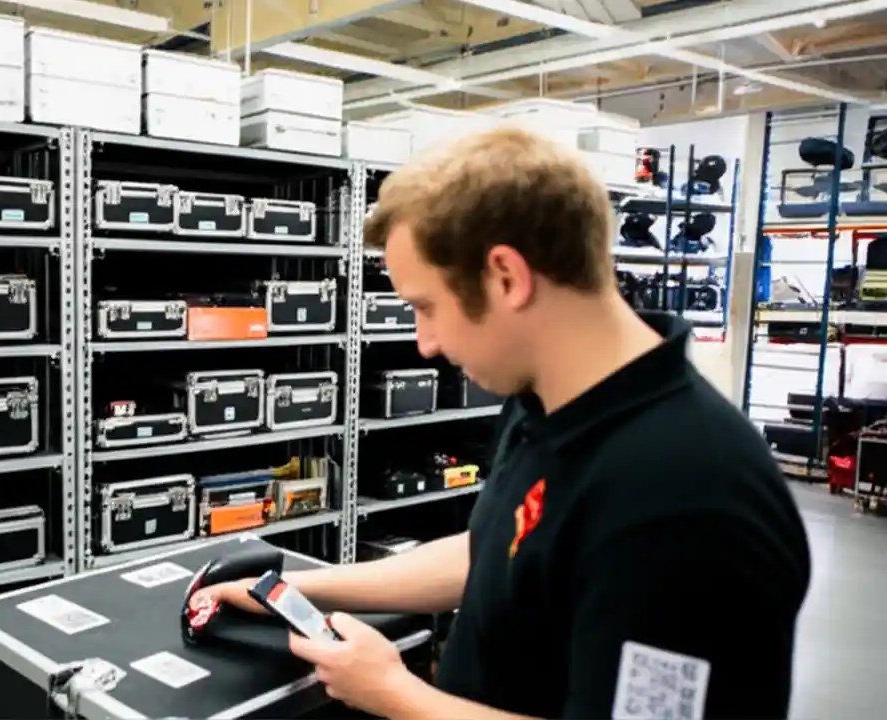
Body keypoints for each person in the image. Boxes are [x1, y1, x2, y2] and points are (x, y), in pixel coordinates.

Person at [189, 127, 811, 719]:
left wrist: (393, 693)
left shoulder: (687, 497)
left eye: (426, 306)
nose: (423, 342)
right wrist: (295, 587)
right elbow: (495, 554)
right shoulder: (546, 400)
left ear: (507, 276)